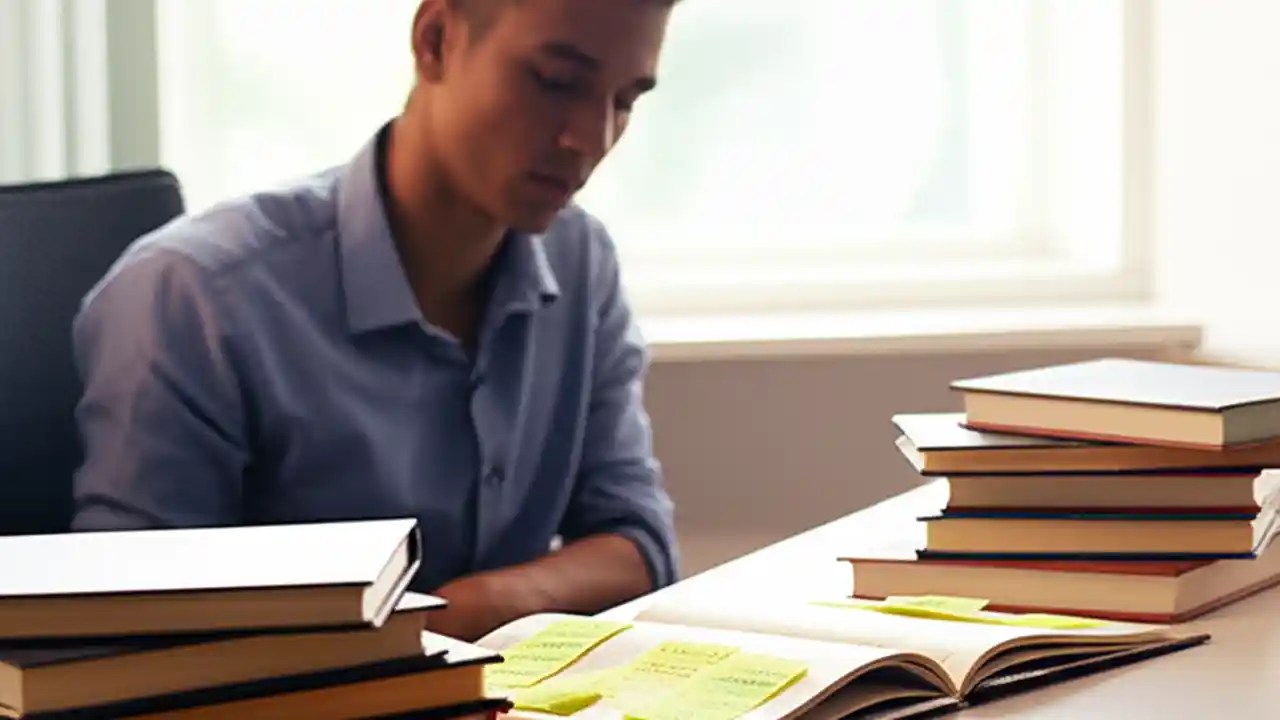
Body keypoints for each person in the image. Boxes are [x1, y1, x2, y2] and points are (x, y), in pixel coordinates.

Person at [70, 0, 680, 641]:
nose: (593, 137)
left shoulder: (581, 263)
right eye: (557, 82)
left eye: (627, 100)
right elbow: (136, 633)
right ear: (437, 40)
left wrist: (467, 614)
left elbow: (639, 545)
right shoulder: (192, 296)